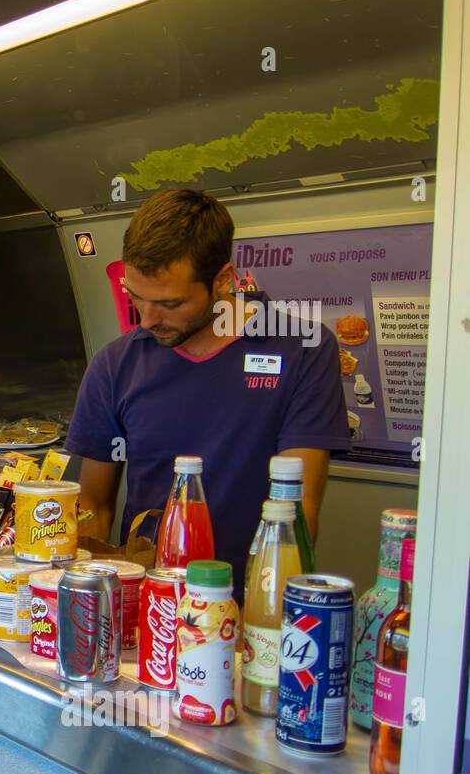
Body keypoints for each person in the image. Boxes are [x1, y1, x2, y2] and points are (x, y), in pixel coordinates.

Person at [64, 188, 350, 593]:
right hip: (153, 607)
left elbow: (299, 511)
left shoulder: (303, 350)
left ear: (223, 280)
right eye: (136, 297)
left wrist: (264, 617)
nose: (146, 320)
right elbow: (95, 504)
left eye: (170, 303)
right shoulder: (116, 364)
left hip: (250, 605)